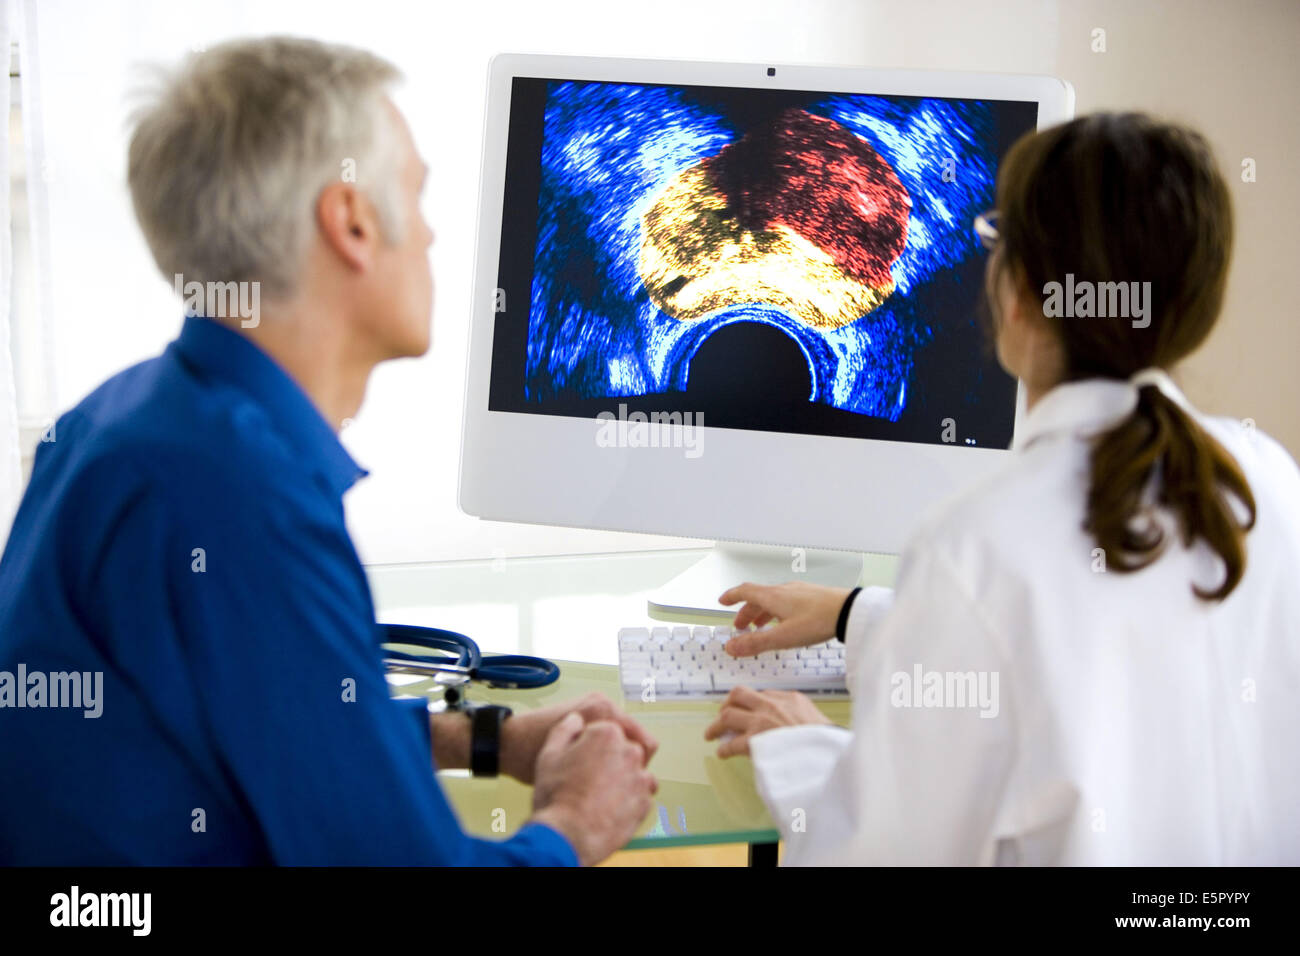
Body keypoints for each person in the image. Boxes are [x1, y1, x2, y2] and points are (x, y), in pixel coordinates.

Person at [0, 36, 657, 866]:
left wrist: (483, 739)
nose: (429, 233)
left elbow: (271, 721)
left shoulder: (127, 422)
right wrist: (576, 822)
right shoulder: (237, 497)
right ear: (350, 222)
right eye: (415, 196)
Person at [705, 113, 1300, 865]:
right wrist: (859, 615)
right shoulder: (1269, 482)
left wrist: (802, 754)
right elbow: (1082, 655)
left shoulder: (976, 546)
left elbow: (882, 856)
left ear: (1015, 291)